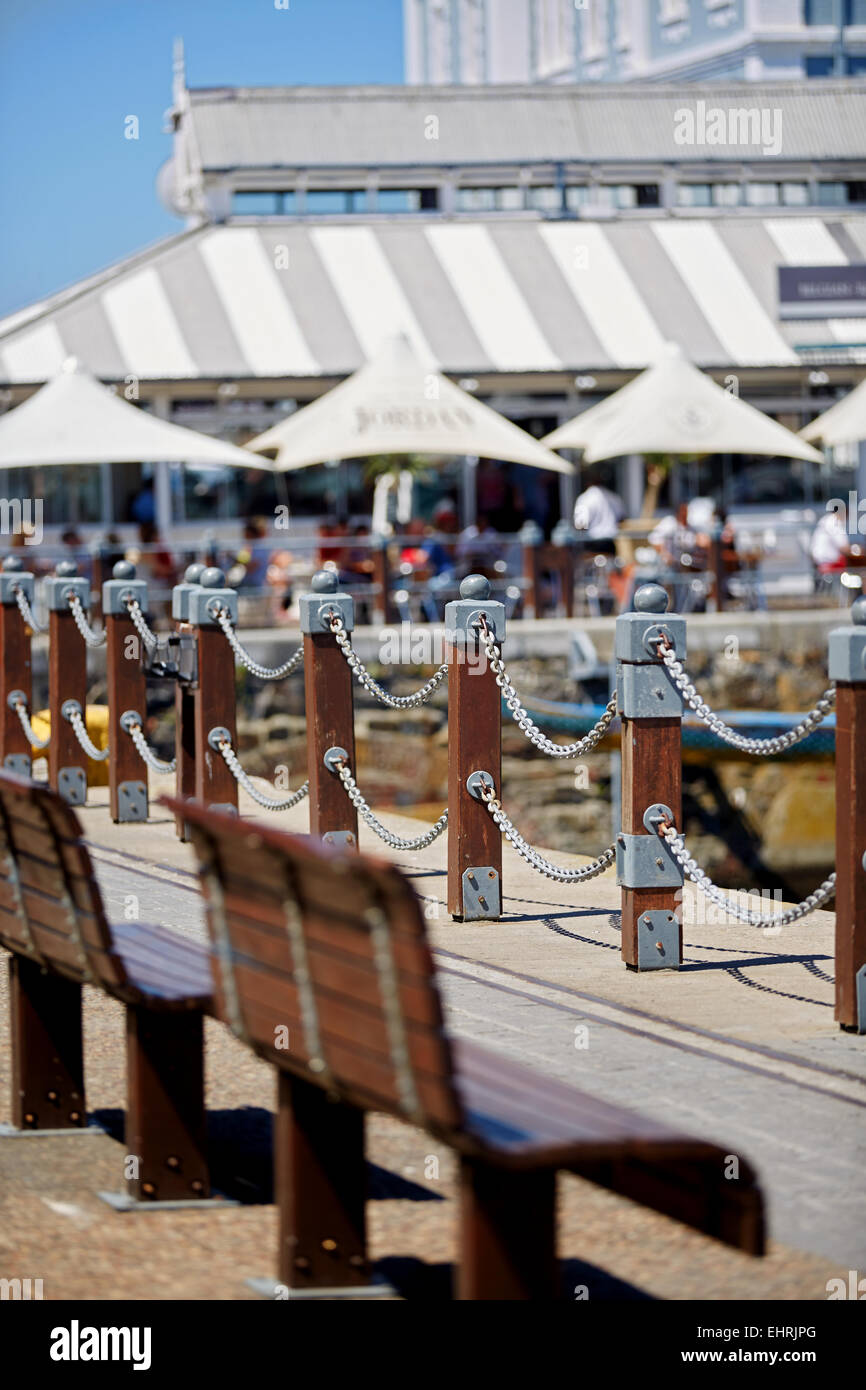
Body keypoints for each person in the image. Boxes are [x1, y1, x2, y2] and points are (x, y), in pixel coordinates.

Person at [572, 478, 625, 556]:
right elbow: (622, 519)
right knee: (610, 566)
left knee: (592, 566)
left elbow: (580, 524)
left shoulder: (585, 498)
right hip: (611, 541)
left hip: (593, 542)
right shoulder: (613, 496)